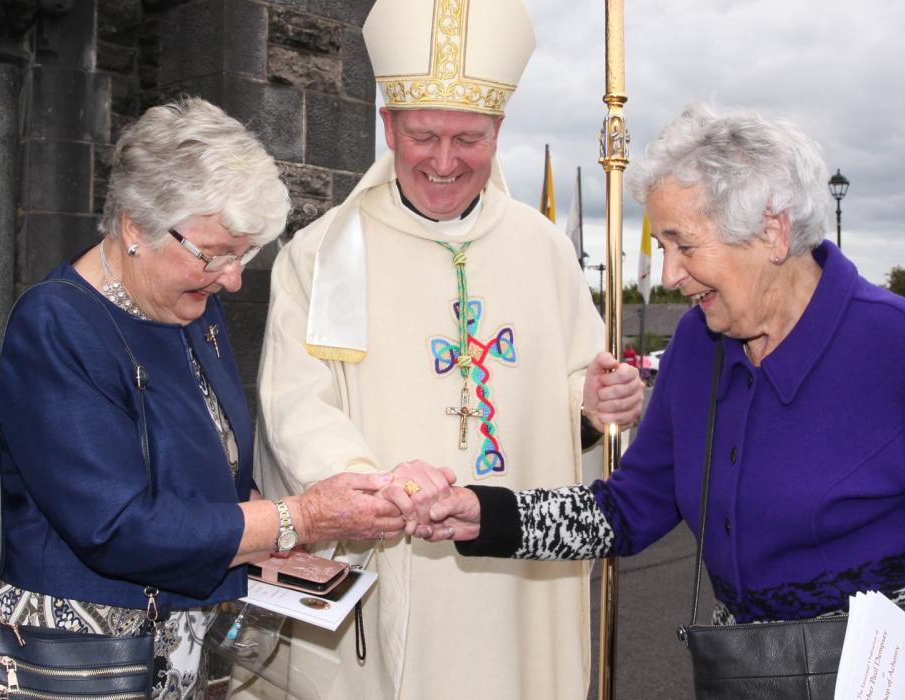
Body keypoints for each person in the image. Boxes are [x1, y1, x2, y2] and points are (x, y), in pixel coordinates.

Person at [427, 105, 905, 699]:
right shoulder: (698, 346)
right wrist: (482, 514)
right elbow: (630, 510)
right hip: (751, 676)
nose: (670, 274)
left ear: (772, 231)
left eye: (684, 244)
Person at [254, 1, 643, 698]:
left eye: (468, 138)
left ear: (498, 131)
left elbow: (579, 388)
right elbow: (294, 404)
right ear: (387, 127)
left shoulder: (544, 249)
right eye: (423, 135)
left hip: (514, 575)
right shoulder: (322, 256)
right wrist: (372, 483)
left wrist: (594, 403)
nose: (443, 161)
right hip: (385, 557)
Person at [0, 98, 415, 700]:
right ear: (136, 227)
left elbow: (212, 467)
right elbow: (115, 526)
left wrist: (278, 532)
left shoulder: (191, 308)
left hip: (181, 644)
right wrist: (298, 517)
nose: (233, 279)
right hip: (81, 658)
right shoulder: (56, 325)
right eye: (216, 253)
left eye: (247, 253)